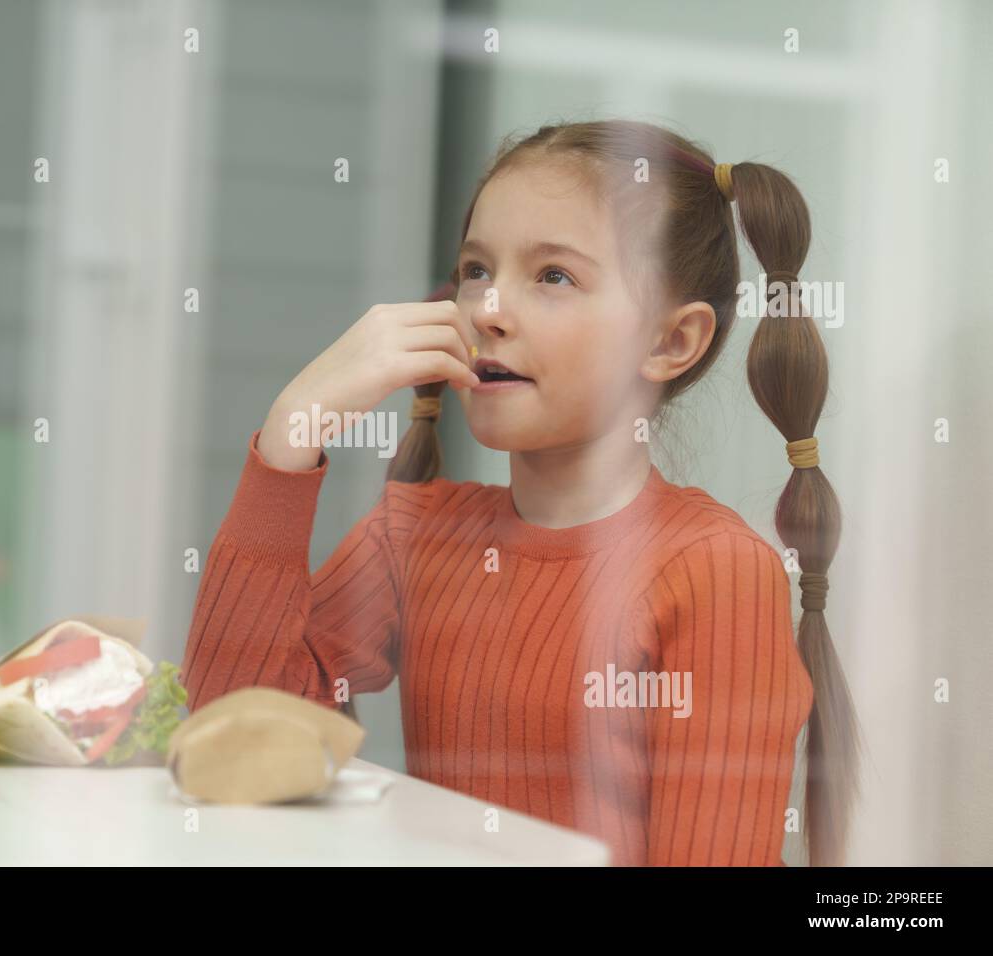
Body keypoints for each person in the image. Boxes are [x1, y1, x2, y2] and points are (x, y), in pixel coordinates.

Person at [181, 119, 861, 867]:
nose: (487, 311)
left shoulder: (714, 571)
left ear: (672, 342)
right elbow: (230, 743)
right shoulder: (414, 533)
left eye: (554, 276)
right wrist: (291, 428)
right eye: (477, 269)